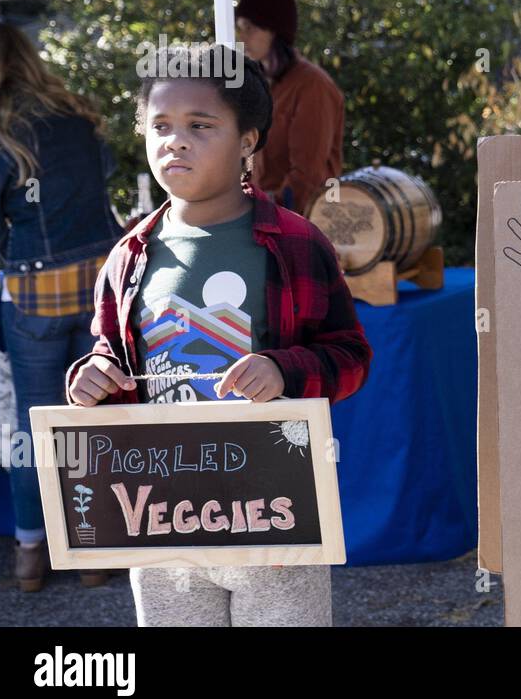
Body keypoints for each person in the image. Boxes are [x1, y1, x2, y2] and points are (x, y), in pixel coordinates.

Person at [64, 48, 371, 626]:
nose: (174, 142)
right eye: (160, 126)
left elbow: (350, 355)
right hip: (161, 524)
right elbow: (112, 355)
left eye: (200, 126)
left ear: (249, 140)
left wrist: (285, 369)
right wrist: (91, 379)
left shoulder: (296, 243)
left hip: (274, 520)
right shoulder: (126, 257)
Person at [0, 21, 123, 593]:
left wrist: (6, 260)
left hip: (36, 293)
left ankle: (30, 555)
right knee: (88, 419)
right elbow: (106, 178)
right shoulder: (79, 115)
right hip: (98, 282)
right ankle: (91, 554)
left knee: (33, 427)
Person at [235, 0, 344, 214]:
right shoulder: (261, 83)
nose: (241, 39)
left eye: (250, 28)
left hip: (303, 223)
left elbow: (307, 174)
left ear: (274, 30)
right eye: (239, 29)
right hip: (263, 217)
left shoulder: (313, 85)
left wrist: (268, 212)